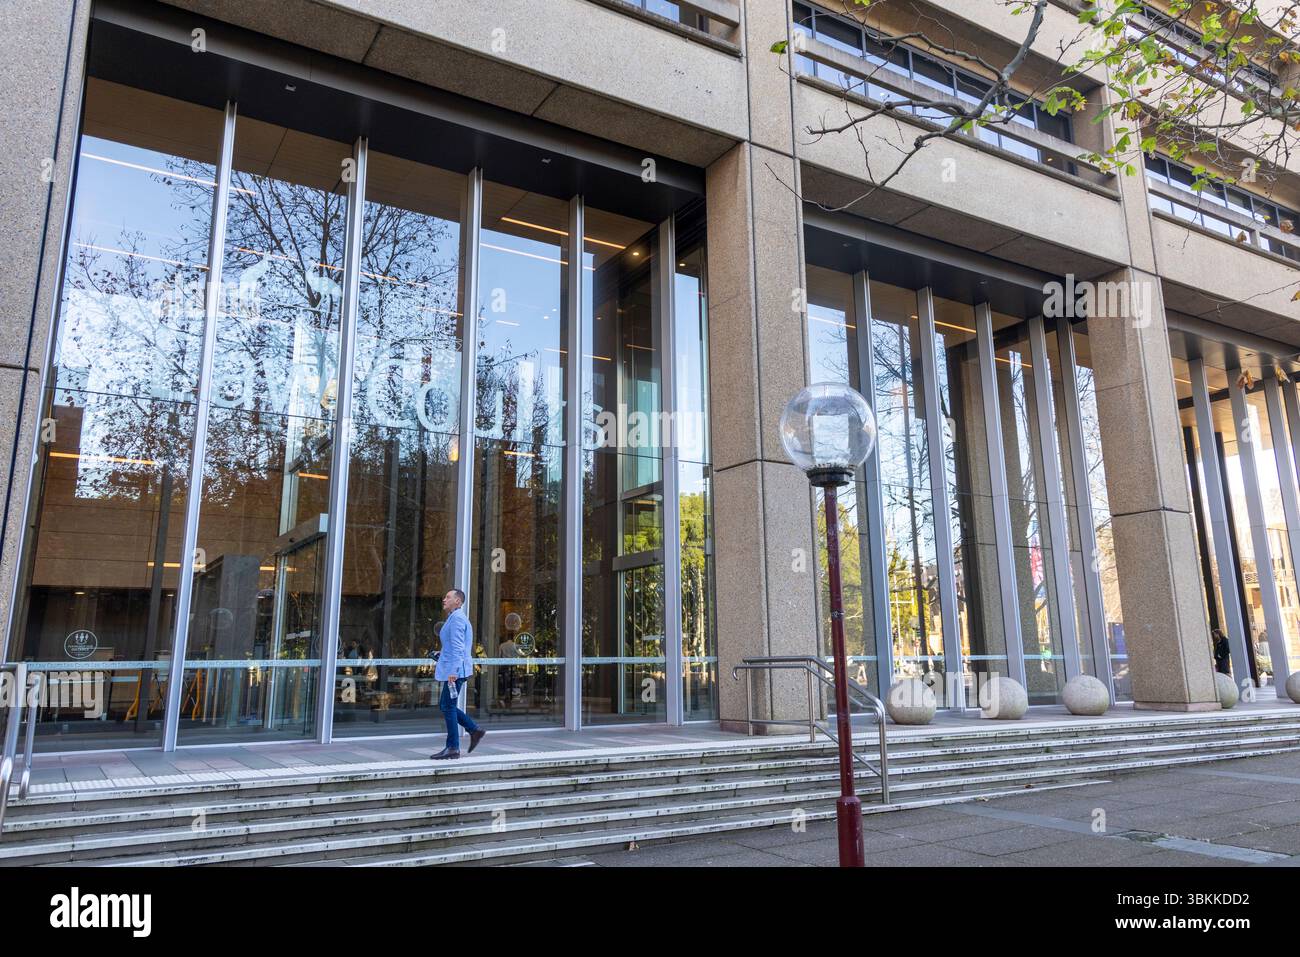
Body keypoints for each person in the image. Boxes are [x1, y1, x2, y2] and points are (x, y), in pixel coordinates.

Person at [431, 588, 485, 760]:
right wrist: (440, 655)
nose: (444, 599)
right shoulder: (454, 618)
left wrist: (453, 671)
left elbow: (458, 648)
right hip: (456, 669)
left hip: (456, 672)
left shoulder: (457, 619)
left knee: (447, 706)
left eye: (448, 597)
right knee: (447, 706)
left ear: (458, 601)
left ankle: (454, 747)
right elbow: (453, 647)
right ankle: (474, 730)